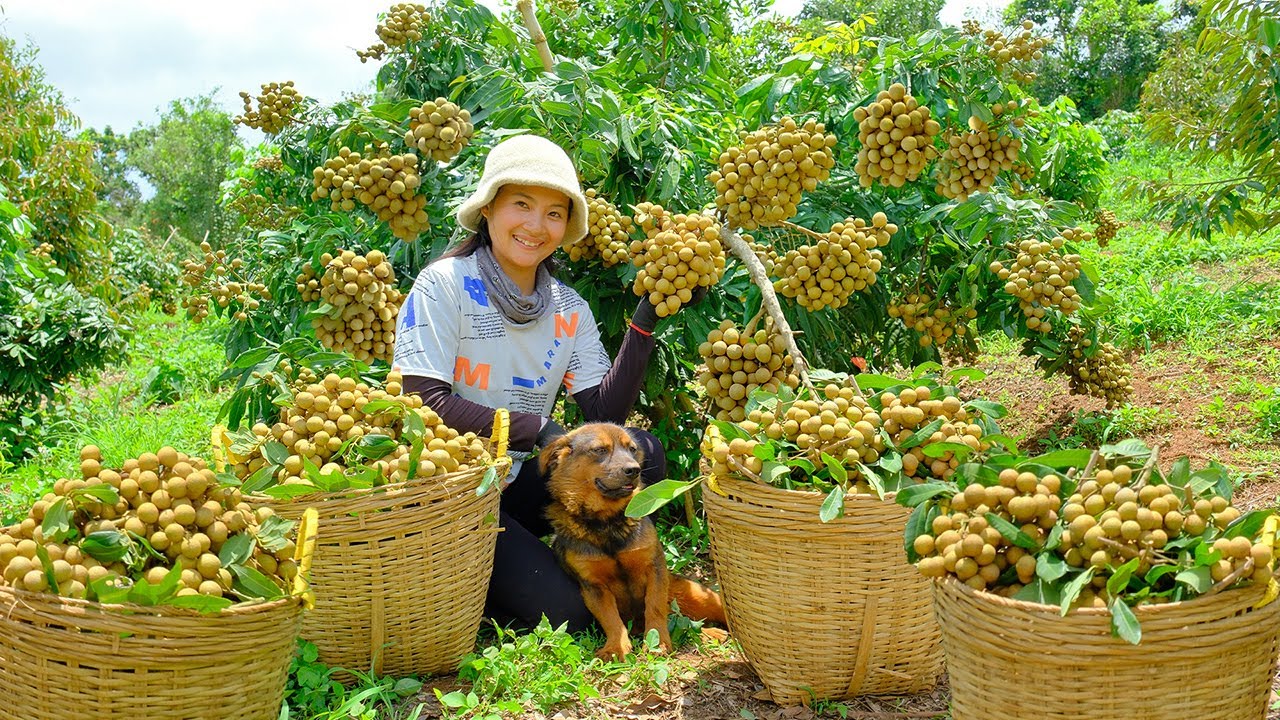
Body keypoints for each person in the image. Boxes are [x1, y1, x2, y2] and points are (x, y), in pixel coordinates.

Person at [392, 133, 697, 631]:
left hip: (526, 479)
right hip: (464, 486)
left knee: (644, 451)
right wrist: (535, 428)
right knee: (570, 614)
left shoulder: (567, 307)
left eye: (554, 213)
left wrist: (646, 320)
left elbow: (603, 413)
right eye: (522, 205)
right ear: (488, 209)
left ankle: (617, 563)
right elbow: (422, 400)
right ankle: (468, 577)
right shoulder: (444, 284)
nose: (536, 226)